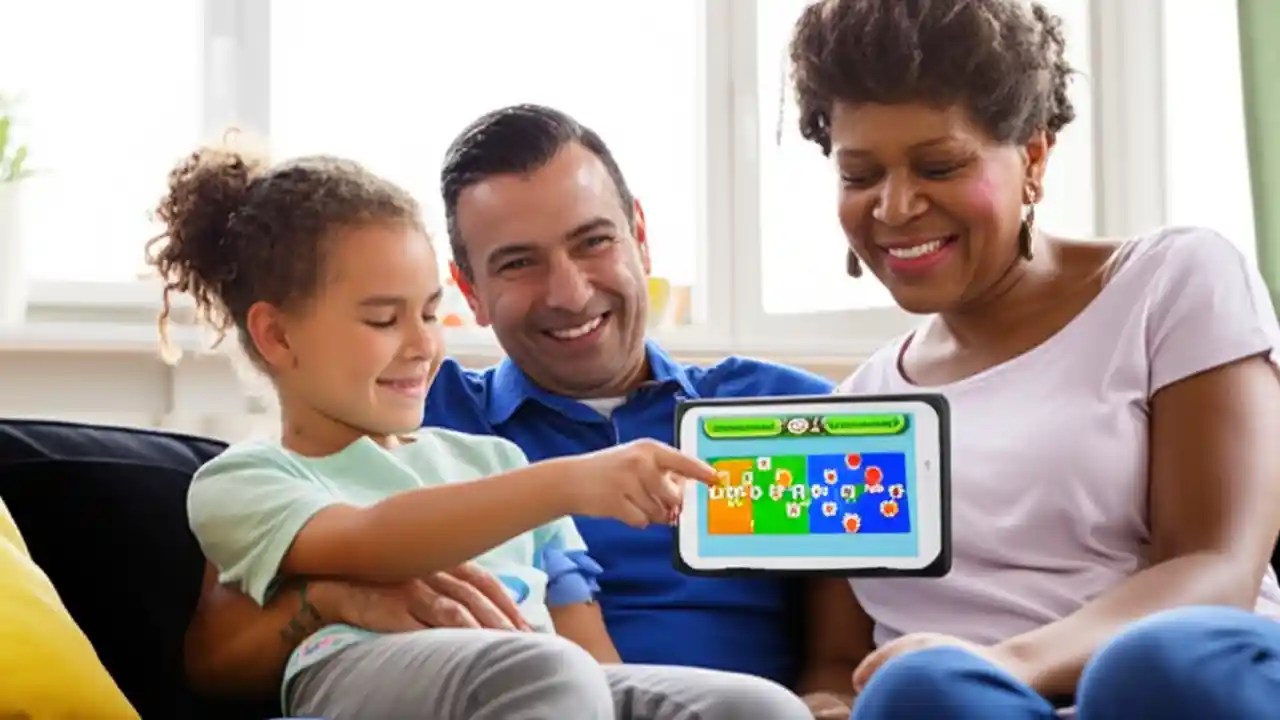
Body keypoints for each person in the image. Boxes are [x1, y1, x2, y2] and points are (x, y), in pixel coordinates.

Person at [145, 144, 813, 719]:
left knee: (755, 706)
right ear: (278, 334)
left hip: (546, 679)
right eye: (384, 321)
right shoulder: (250, 478)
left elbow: (592, 657)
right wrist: (568, 482)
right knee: (545, 673)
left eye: (431, 314)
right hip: (366, 674)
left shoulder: (495, 459)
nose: (423, 346)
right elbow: (371, 541)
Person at [784, 1, 1280, 718]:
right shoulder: (855, 412)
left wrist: (1007, 662)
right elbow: (837, 661)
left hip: (1181, 686)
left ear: (1034, 159)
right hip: (968, 705)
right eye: (860, 176)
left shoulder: (1171, 283)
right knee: (917, 689)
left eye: (940, 165)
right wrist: (827, 703)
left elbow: (1218, 566)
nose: (893, 208)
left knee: (1151, 662)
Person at [422, 103, 845, 705]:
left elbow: (845, 650)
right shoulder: (420, 422)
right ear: (470, 291)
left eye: (593, 242)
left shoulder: (782, 409)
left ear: (639, 239)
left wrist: (827, 699)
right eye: (519, 263)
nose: (569, 293)